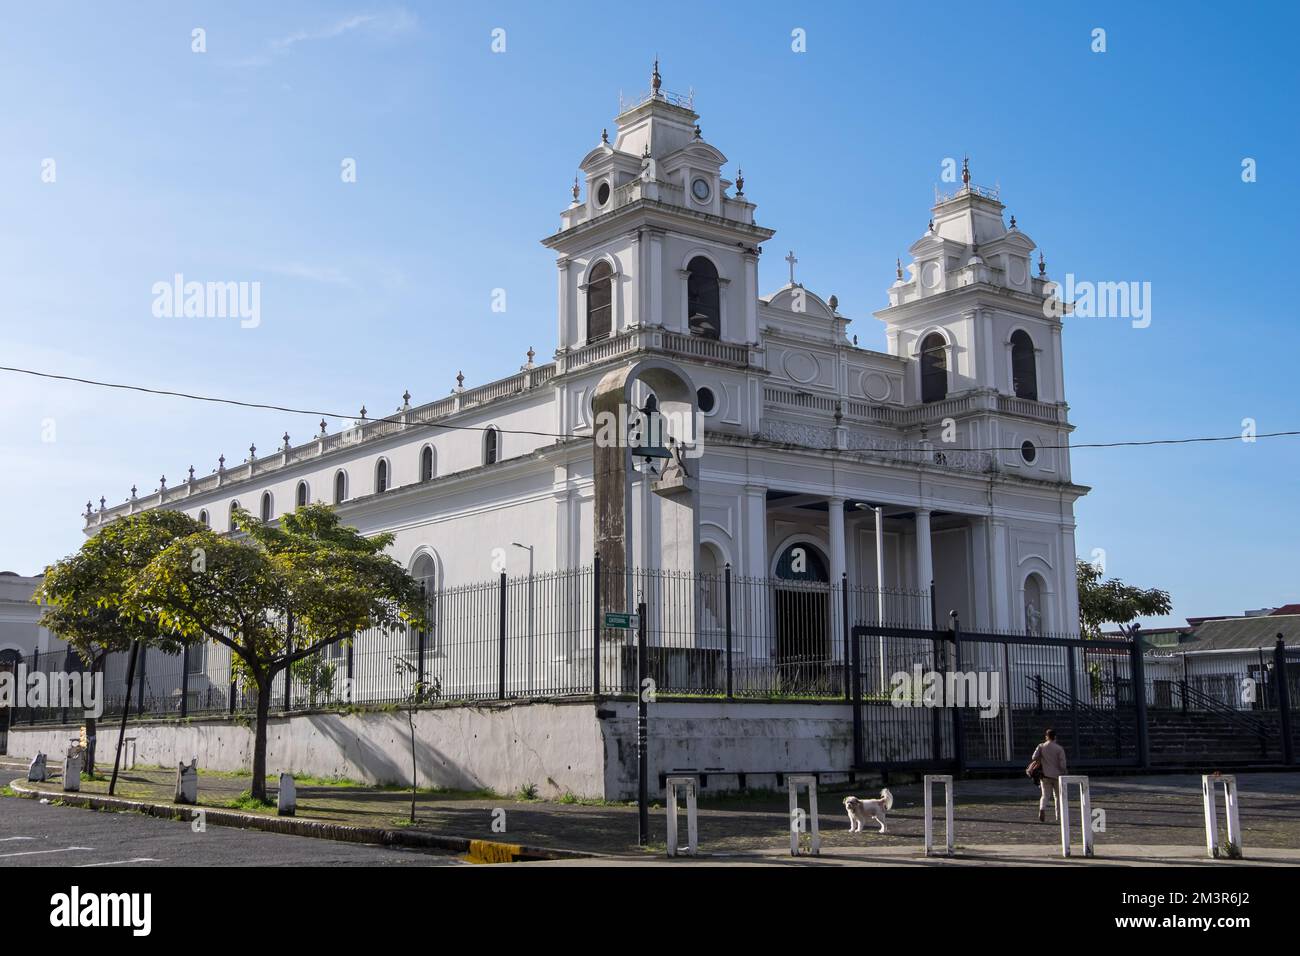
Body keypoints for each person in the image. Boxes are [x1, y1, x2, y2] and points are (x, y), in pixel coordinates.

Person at [1032, 729, 1067, 823]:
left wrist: (1041, 758)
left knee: (1045, 795)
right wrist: (1064, 771)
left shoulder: (1041, 746)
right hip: (1057, 776)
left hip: (1045, 775)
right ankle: (1058, 816)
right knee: (1058, 796)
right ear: (1055, 737)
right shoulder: (1059, 748)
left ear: (1046, 737)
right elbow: (1062, 764)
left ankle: (1042, 808)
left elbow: (1034, 757)